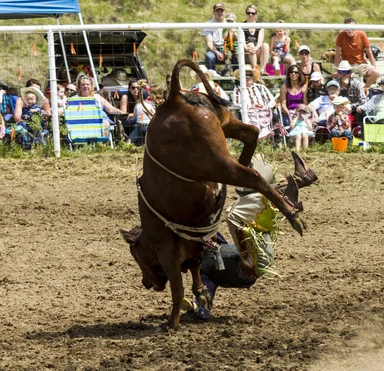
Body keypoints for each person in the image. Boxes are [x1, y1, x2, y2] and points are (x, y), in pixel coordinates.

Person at [182, 153, 318, 320]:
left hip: (251, 260)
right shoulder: (205, 272)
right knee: (233, 213)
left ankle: (295, 183)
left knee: (241, 212)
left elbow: (207, 232)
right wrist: (196, 309)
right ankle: (291, 190)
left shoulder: (206, 265)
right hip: (247, 265)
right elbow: (204, 304)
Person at [232, 65, 277, 140]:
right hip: (248, 113)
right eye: (245, 75)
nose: (247, 77)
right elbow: (236, 104)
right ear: (241, 77)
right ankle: (257, 138)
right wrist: (249, 107)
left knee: (271, 116)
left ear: (253, 77)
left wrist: (265, 106)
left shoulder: (260, 87)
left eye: (250, 75)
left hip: (263, 111)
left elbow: (271, 100)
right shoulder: (238, 89)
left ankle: (264, 137)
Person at [334, 17, 379, 89]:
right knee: (339, 78)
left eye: (352, 28)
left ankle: (364, 89)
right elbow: (338, 53)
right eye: (347, 29)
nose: (350, 31)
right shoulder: (341, 34)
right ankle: (346, 92)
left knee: (376, 73)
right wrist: (336, 68)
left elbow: (369, 52)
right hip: (347, 65)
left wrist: (374, 66)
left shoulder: (361, 34)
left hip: (361, 64)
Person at [130, 81, 165, 146]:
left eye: (150, 94)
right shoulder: (155, 104)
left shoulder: (162, 106)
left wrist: (149, 115)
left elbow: (159, 120)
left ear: (154, 95)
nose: (149, 96)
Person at [243, 5, 269, 76]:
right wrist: (247, 48)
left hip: (257, 51)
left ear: (256, 14)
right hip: (247, 52)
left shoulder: (260, 26)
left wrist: (256, 48)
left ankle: (262, 70)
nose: (250, 15)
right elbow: (242, 42)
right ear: (246, 14)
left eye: (253, 13)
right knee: (250, 44)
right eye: (248, 13)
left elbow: (260, 41)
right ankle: (255, 69)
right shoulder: (242, 26)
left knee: (265, 45)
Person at [202, 3, 227, 73]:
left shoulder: (229, 24)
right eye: (217, 11)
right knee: (209, 56)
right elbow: (209, 43)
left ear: (224, 12)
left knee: (232, 55)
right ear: (214, 12)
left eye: (221, 11)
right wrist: (217, 52)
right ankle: (211, 78)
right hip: (213, 50)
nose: (220, 13)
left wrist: (226, 51)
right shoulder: (208, 25)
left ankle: (233, 78)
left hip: (226, 48)